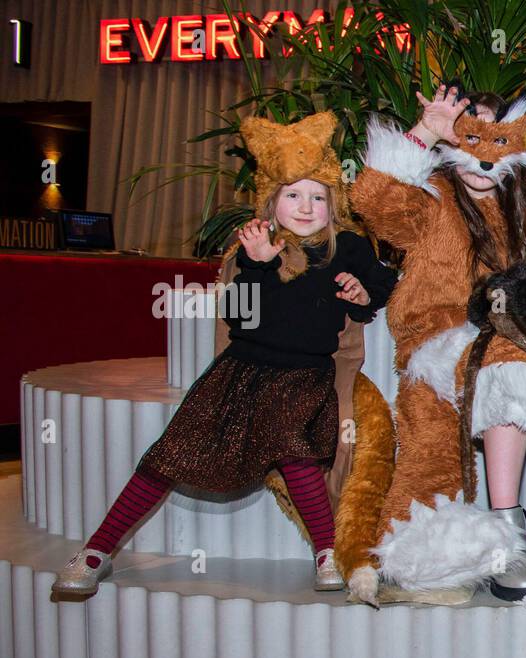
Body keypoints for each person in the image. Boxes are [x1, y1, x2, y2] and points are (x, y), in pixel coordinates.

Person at [52, 112, 396, 598]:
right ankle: (99, 549)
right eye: (293, 195)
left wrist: (365, 293)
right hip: (240, 372)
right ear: (271, 201)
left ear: (333, 204)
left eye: (318, 196)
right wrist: (257, 268)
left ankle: (325, 550)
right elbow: (240, 318)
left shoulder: (348, 246)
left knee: (294, 447)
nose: (306, 206)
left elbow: (385, 281)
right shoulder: (254, 246)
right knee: (169, 454)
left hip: (305, 377)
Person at [337, 83, 526, 604]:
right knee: (432, 455)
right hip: (438, 344)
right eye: (469, 136)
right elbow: (373, 202)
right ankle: (499, 533)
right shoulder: (432, 201)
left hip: (521, 338)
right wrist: (422, 131)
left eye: (496, 139)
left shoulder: (524, 211)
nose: (482, 154)